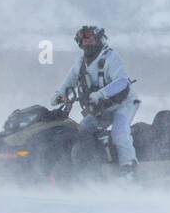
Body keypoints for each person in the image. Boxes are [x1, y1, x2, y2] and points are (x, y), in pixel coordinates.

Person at [52, 25, 140, 178]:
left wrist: (101, 94)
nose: (87, 43)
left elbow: (122, 82)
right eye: (84, 40)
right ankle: (94, 166)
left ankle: (129, 169)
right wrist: (59, 95)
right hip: (101, 109)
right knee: (83, 130)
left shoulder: (110, 58)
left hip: (124, 104)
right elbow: (69, 82)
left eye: (90, 39)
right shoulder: (80, 64)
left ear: (99, 40)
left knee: (119, 132)